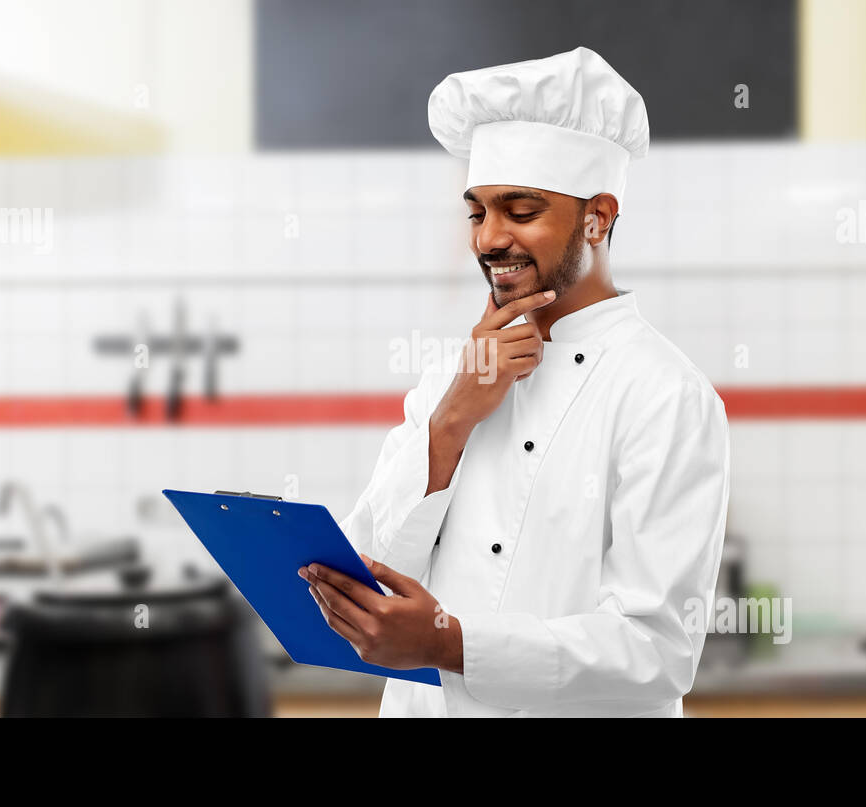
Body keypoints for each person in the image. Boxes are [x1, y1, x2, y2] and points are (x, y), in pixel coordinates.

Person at [298, 46, 731, 717]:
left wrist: (452, 644)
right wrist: (453, 419)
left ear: (598, 217)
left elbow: (658, 645)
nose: (488, 239)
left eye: (519, 210)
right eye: (477, 212)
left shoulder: (666, 395)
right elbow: (367, 569)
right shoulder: (453, 369)